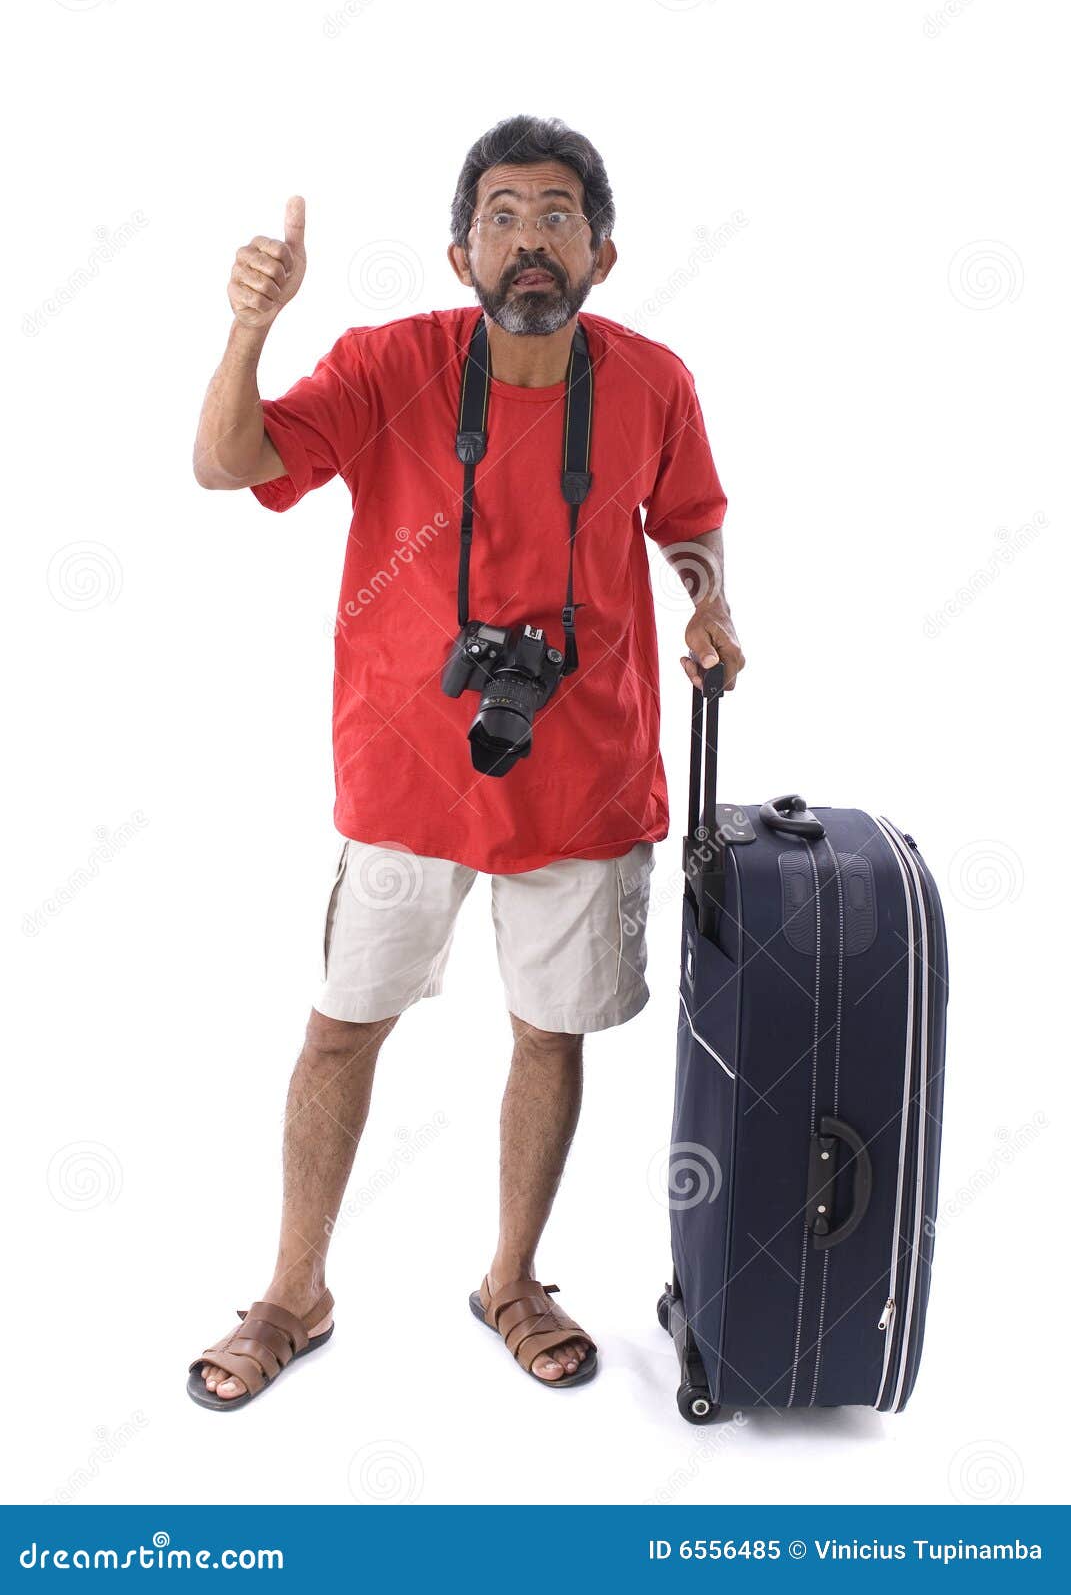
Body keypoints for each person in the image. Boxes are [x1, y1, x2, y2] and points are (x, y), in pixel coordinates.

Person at [187, 115, 744, 1410]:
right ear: (458, 254)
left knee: (549, 1036)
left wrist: (709, 604)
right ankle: (293, 1292)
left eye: (557, 214)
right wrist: (248, 328)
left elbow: (694, 521)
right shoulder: (392, 366)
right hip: (406, 778)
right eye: (502, 215)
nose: (529, 237)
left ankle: (513, 1276)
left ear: (602, 252)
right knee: (341, 1032)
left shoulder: (656, 381)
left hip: (590, 774)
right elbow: (228, 464)